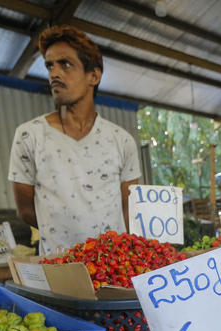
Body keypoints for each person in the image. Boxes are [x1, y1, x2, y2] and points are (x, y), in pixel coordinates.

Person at [9, 25, 140, 254]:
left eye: (65, 64)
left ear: (94, 76)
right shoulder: (29, 136)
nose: (54, 74)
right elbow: (26, 210)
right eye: (50, 66)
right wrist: (63, 233)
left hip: (111, 268)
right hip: (58, 269)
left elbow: (129, 209)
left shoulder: (121, 141)